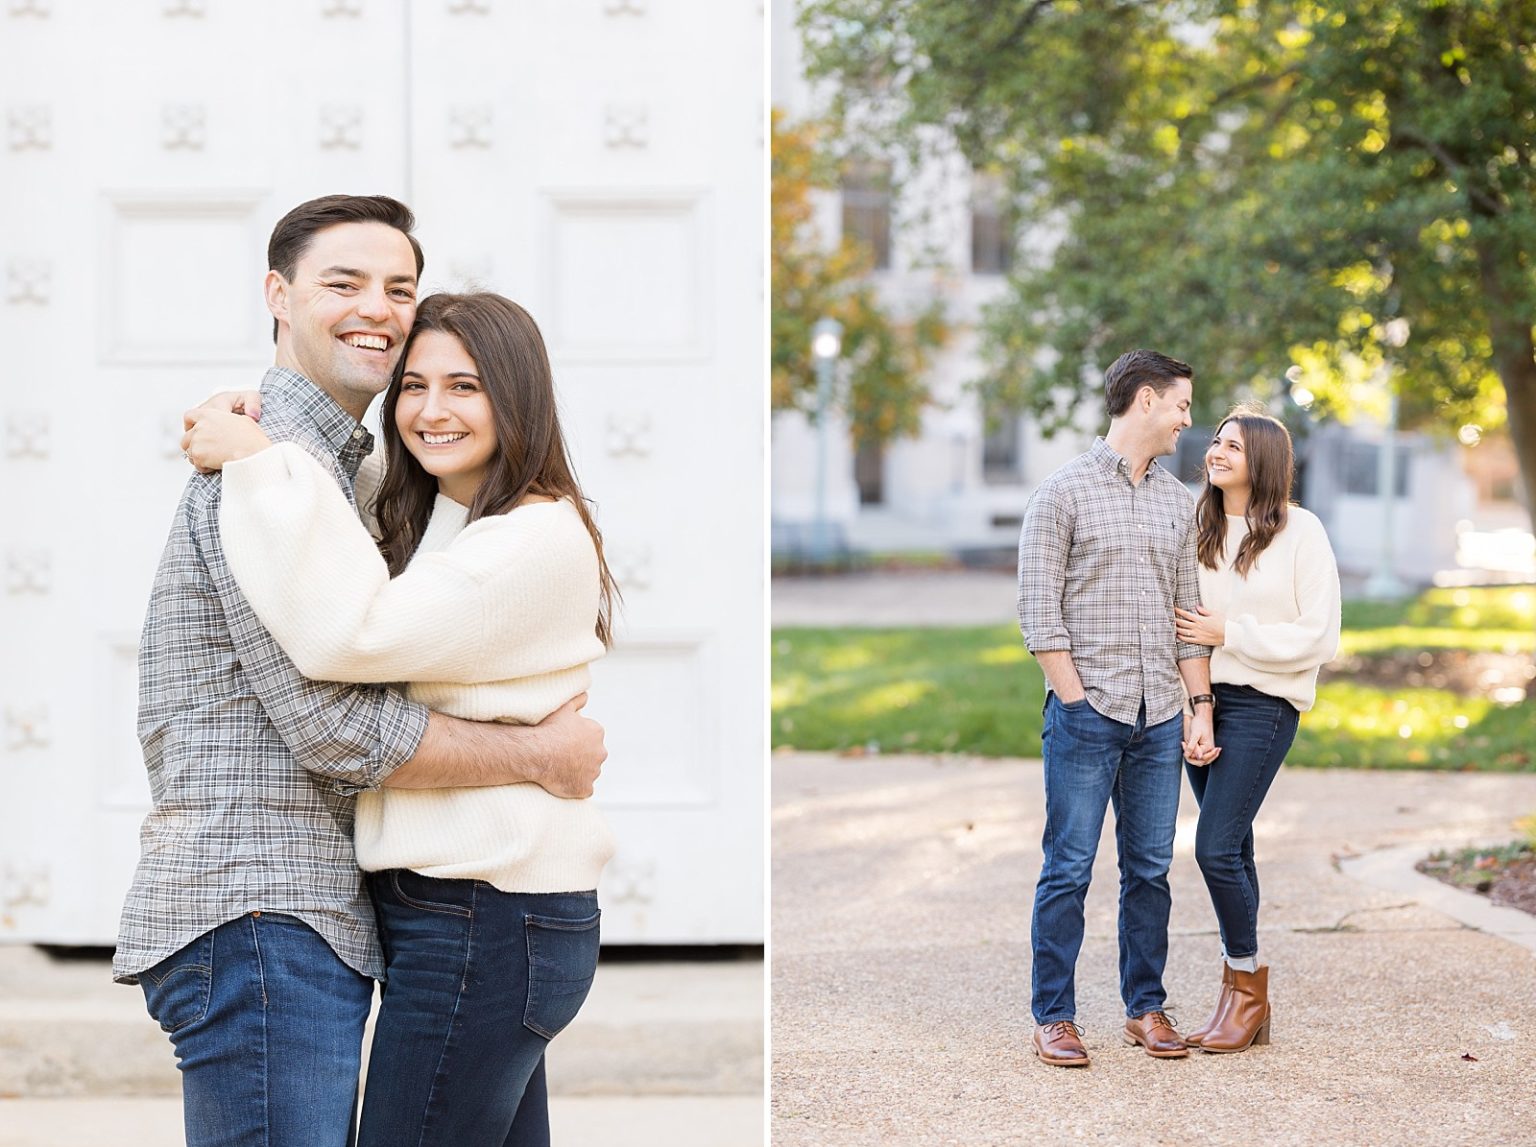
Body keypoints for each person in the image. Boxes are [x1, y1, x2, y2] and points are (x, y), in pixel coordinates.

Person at [116, 196, 607, 1147]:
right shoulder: (263, 472)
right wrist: (541, 752)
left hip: (344, 909)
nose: (375, 308)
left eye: (398, 288)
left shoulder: (343, 476)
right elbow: (336, 724)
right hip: (257, 899)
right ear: (278, 294)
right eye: (342, 283)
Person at [1016, 348, 1217, 1068]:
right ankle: (1055, 1015)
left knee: (1151, 870)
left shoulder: (1177, 501)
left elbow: (1187, 615)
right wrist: (1075, 702)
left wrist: (1199, 707)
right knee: (1068, 867)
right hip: (1087, 713)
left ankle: (1145, 1007)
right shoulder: (1062, 493)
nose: (1188, 419)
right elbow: (1039, 615)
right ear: (1144, 402)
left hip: (1160, 714)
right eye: (1182, 405)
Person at [1173, 406, 1341, 1054]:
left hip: (1267, 704)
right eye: (1214, 441)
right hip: (1206, 700)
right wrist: (1196, 706)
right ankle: (1242, 998)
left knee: (1214, 846)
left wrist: (1230, 633)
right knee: (1232, 846)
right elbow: (1179, 623)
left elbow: (1318, 635)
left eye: (1232, 445)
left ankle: (1246, 986)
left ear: (1263, 459)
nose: (1214, 451)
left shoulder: (1302, 532)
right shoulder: (1201, 526)